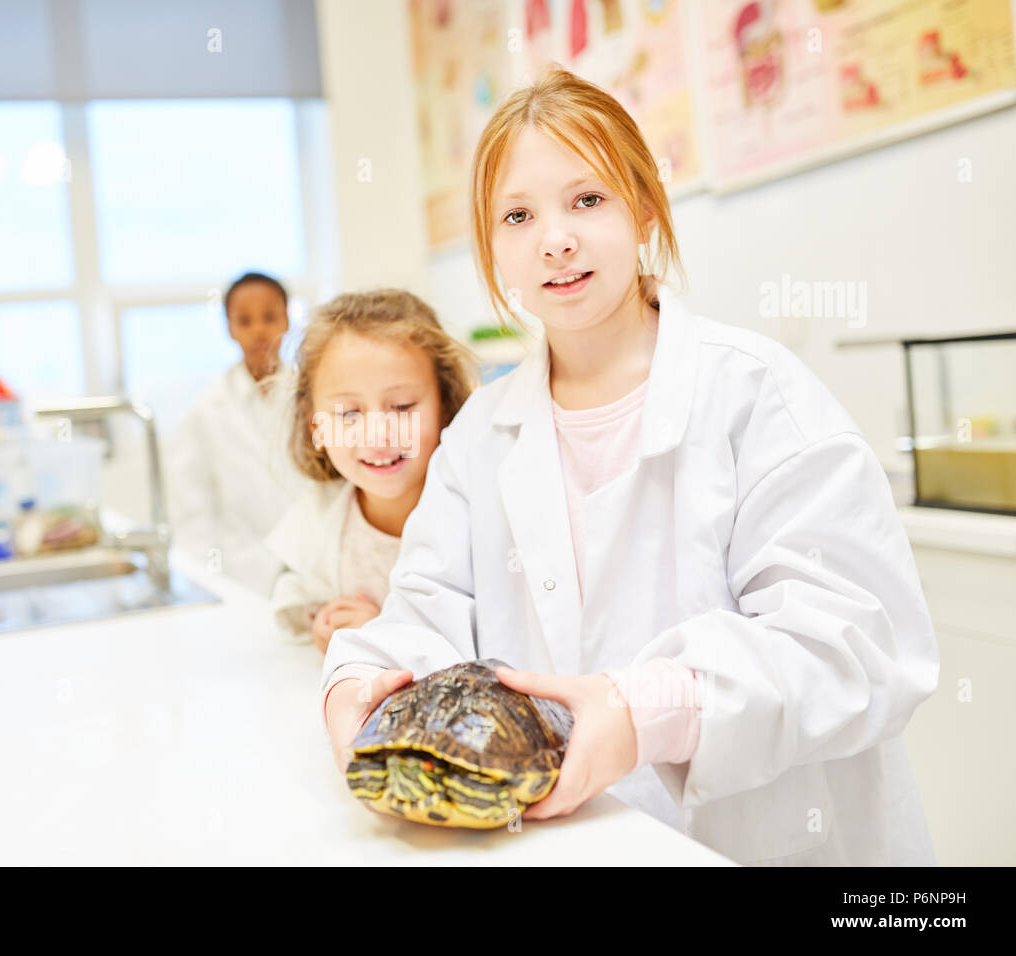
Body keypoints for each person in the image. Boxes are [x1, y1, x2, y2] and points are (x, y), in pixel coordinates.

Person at [320, 67, 939, 866]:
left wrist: (648, 711)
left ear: (643, 206)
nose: (556, 239)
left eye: (588, 199)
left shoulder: (758, 395)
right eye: (518, 215)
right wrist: (357, 681)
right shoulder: (481, 435)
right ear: (493, 247)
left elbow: (858, 649)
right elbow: (425, 611)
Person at [265, 289, 478, 651]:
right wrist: (322, 620)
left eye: (401, 405)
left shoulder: (474, 515)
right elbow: (292, 594)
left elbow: (497, 635)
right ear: (315, 424)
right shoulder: (322, 517)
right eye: (348, 413)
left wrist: (385, 632)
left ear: (446, 405)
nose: (378, 433)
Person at [166, 272, 313, 597]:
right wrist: (209, 577)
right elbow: (191, 505)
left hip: (316, 566)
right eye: (244, 320)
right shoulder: (207, 409)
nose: (259, 329)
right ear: (229, 328)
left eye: (270, 317)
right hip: (245, 574)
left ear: (288, 320)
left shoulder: (312, 397)